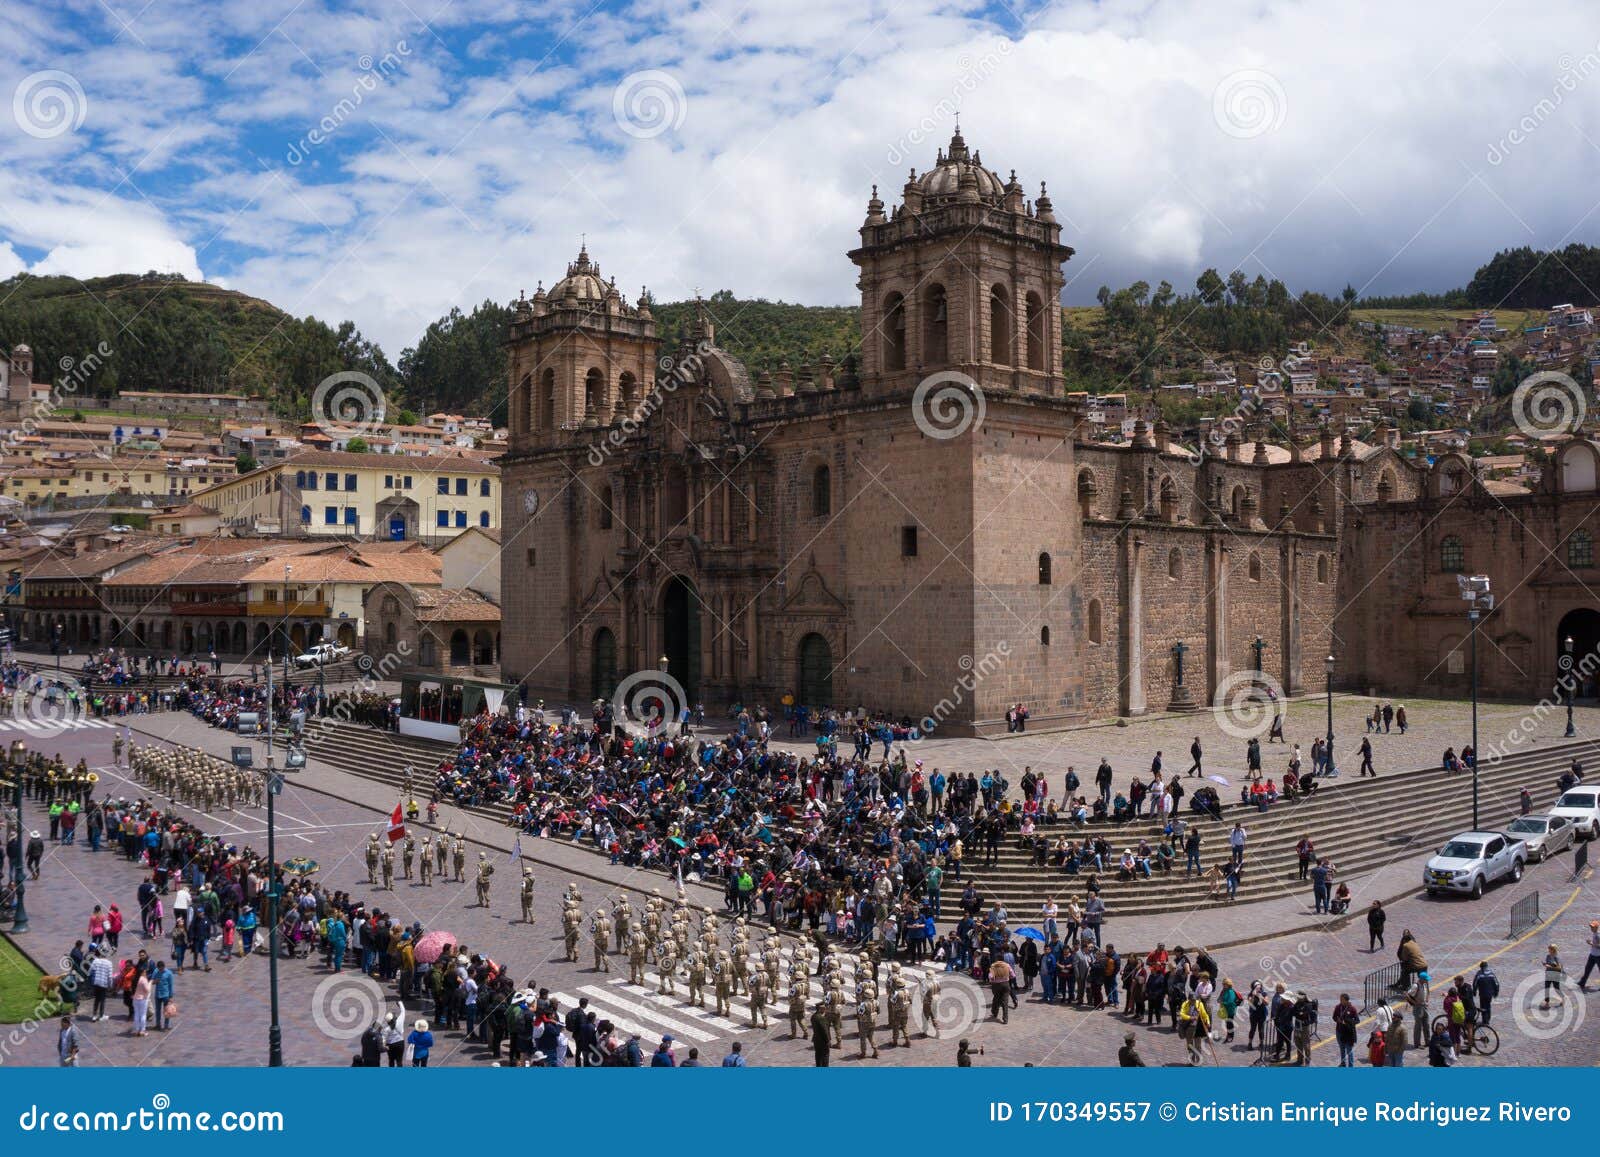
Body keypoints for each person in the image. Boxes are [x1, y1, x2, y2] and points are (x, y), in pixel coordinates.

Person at [1332, 993, 1359, 1067]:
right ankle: (1343, 1063)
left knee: (1349, 1050)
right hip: (1339, 1031)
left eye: (1342, 999)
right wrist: (1338, 1020)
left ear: (1346, 1000)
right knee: (1342, 1048)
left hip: (1348, 1033)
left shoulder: (1352, 1009)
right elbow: (1334, 1017)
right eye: (1340, 999)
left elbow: (1357, 1021)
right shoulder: (1338, 1007)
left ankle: (1351, 1065)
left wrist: (1347, 1022)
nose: (1340, 1001)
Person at [1542, 944, 1565, 1010]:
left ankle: (1563, 998)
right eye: (1548, 949)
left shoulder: (1557, 958)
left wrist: (1550, 966)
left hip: (1555, 975)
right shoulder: (1548, 956)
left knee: (1556, 988)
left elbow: (1559, 968)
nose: (1548, 950)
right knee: (1547, 988)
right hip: (1548, 974)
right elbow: (1547, 964)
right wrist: (1545, 964)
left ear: (1553, 950)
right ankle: (1547, 1003)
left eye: (1550, 949)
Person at [1578, 922, 1600, 991]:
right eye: (1591, 926)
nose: (1591, 928)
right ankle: (1582, 982)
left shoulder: (1598, 935)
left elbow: (1599, 946)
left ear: (1596, 927)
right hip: (1592, 955)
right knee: (1587, 969)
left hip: (1598, 956)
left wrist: (1590, 943)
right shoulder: (1594, 934)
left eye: (1592, 927)